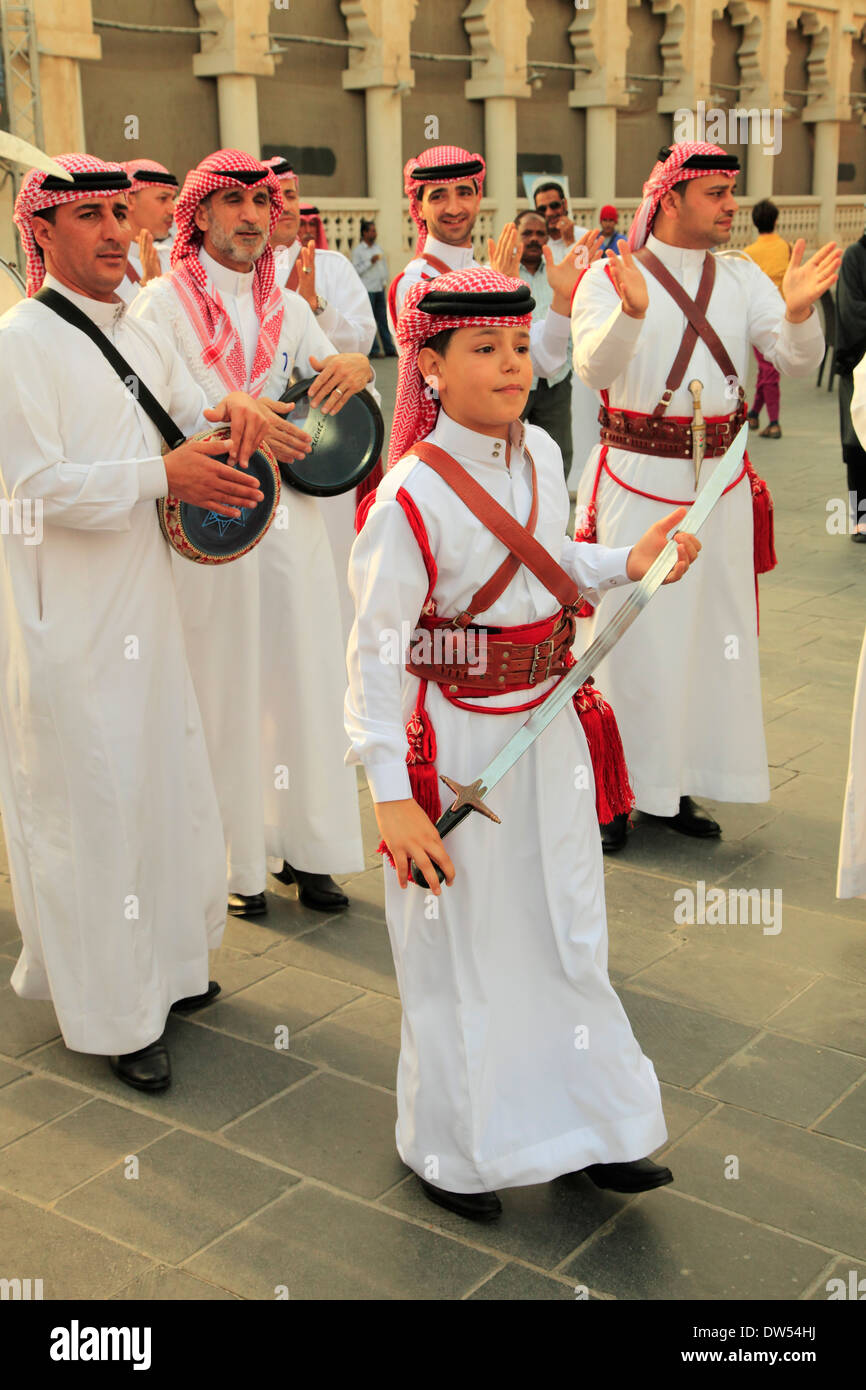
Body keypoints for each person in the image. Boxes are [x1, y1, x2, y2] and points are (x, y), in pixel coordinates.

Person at [345, 265, 702, 1220]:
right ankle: (451, 1151)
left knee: (566, 926)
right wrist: (389, 795)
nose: (511, 364)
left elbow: (560, 565)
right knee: (463, 950)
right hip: (456, 747)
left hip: (551, 728)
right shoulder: (407, 498)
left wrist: (625, 561)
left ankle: (595, 1128)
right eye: (483, 349)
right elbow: (377, 658)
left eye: (516, 345)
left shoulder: (543, 451)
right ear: (429, 365)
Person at [0, 154, 273, 1092]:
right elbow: (25, 495)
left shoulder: (137, 324)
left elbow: (188, 407)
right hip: (68, 624)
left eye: (124, 213)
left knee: (165, 784)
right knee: (97, 803)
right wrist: (162, 477)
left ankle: (170, 971)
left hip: (149, 608)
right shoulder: (19, 345)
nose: (120, 232)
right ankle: (115, 1015)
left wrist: (228, 409)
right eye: (94, 218)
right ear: (42, 232)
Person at [572, 142, 835, 852]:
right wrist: (630, 312)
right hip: (635, 483)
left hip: (718, 488)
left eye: (732, 192)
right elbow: (593, 363)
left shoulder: (744, 277)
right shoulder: (607, 275)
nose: (730, 207)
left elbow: (793, 358)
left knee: (703, 643)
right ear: (673, 198)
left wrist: (803, 313)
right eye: (717, 193)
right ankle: (612, 792)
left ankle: (672, 785)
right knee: (630, 640)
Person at [131, 149, 368, 916]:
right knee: (225, 688)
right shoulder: (159, 304)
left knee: (305, 679)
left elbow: (330, 387)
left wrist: (357, 368)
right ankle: (236, 865)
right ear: (197, 215)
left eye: (263, 203)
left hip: (292, 527)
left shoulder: (291, 309)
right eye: (233, 202)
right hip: (212, 527)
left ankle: (313, 851)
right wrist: (232, 406)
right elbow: (162, 401)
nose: (252, 216)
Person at [265, 155, 378, 643]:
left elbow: (363, 343)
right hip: (269, 443)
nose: (284, 206)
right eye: (274, 197)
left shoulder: (331, 267)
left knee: (335, 555)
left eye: (291, 195)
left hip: (330, 441)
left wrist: (315, 307)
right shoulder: (238, 278)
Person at [391, 144, 584, 386]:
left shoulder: (485, 273)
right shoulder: (414, 284)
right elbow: (447, 380)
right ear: (420, 208)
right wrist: (499, 304)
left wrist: (562, 298)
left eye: (464, 193)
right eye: (438, 196)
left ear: (478, 199)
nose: (453, 208)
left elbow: (546, 362)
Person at [515, 209, 573, 478]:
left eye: (541, 234)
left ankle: (553, 517)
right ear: (515, 236)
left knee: (557, 456)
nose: (535, 239)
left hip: (554, 385)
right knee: (504, 451)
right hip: (511, 380)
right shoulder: (500, 273)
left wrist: (567, 361)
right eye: (527, 233)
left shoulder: (559, 272)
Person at [743, 200, 792, 440]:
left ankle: (772, 420)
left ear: (754, 223)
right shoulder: (786, 248)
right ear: (775, 220)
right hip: (782, 318)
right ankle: (756, 414)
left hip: (757, 319)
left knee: (768, 369)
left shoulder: (749, 254)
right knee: (768, 369)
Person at [834, 206, 866, 541]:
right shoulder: (856, 256)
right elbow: (851, 309)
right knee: (856, 442)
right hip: (858, 366)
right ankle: (861, 518)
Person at [115, 158, 178, 304]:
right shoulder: (108, 261)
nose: (172, 209)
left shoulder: (169, 256)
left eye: (172, 199)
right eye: (162, 199)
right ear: (129, 201)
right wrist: (148, 284)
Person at [352, 218, 396, 357]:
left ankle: (389, 348)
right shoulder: (358, 251)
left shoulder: (378, 248)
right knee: (370, 321)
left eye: (375, 230)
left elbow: (383, 267)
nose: (374, 233)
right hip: (367, 289)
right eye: (371, 231)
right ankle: (374, 350)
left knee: (383, 319)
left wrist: (384, 282)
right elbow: (355, 270)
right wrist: (369, 262)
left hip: (379, 288)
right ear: (364, 233)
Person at [533, 180, 587, 262]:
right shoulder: (533, 243)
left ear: (564, 204)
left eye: (554, 206)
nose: (549, 213)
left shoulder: (586, 236)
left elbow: (588, 272)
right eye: (542, 209)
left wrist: (570, 242)